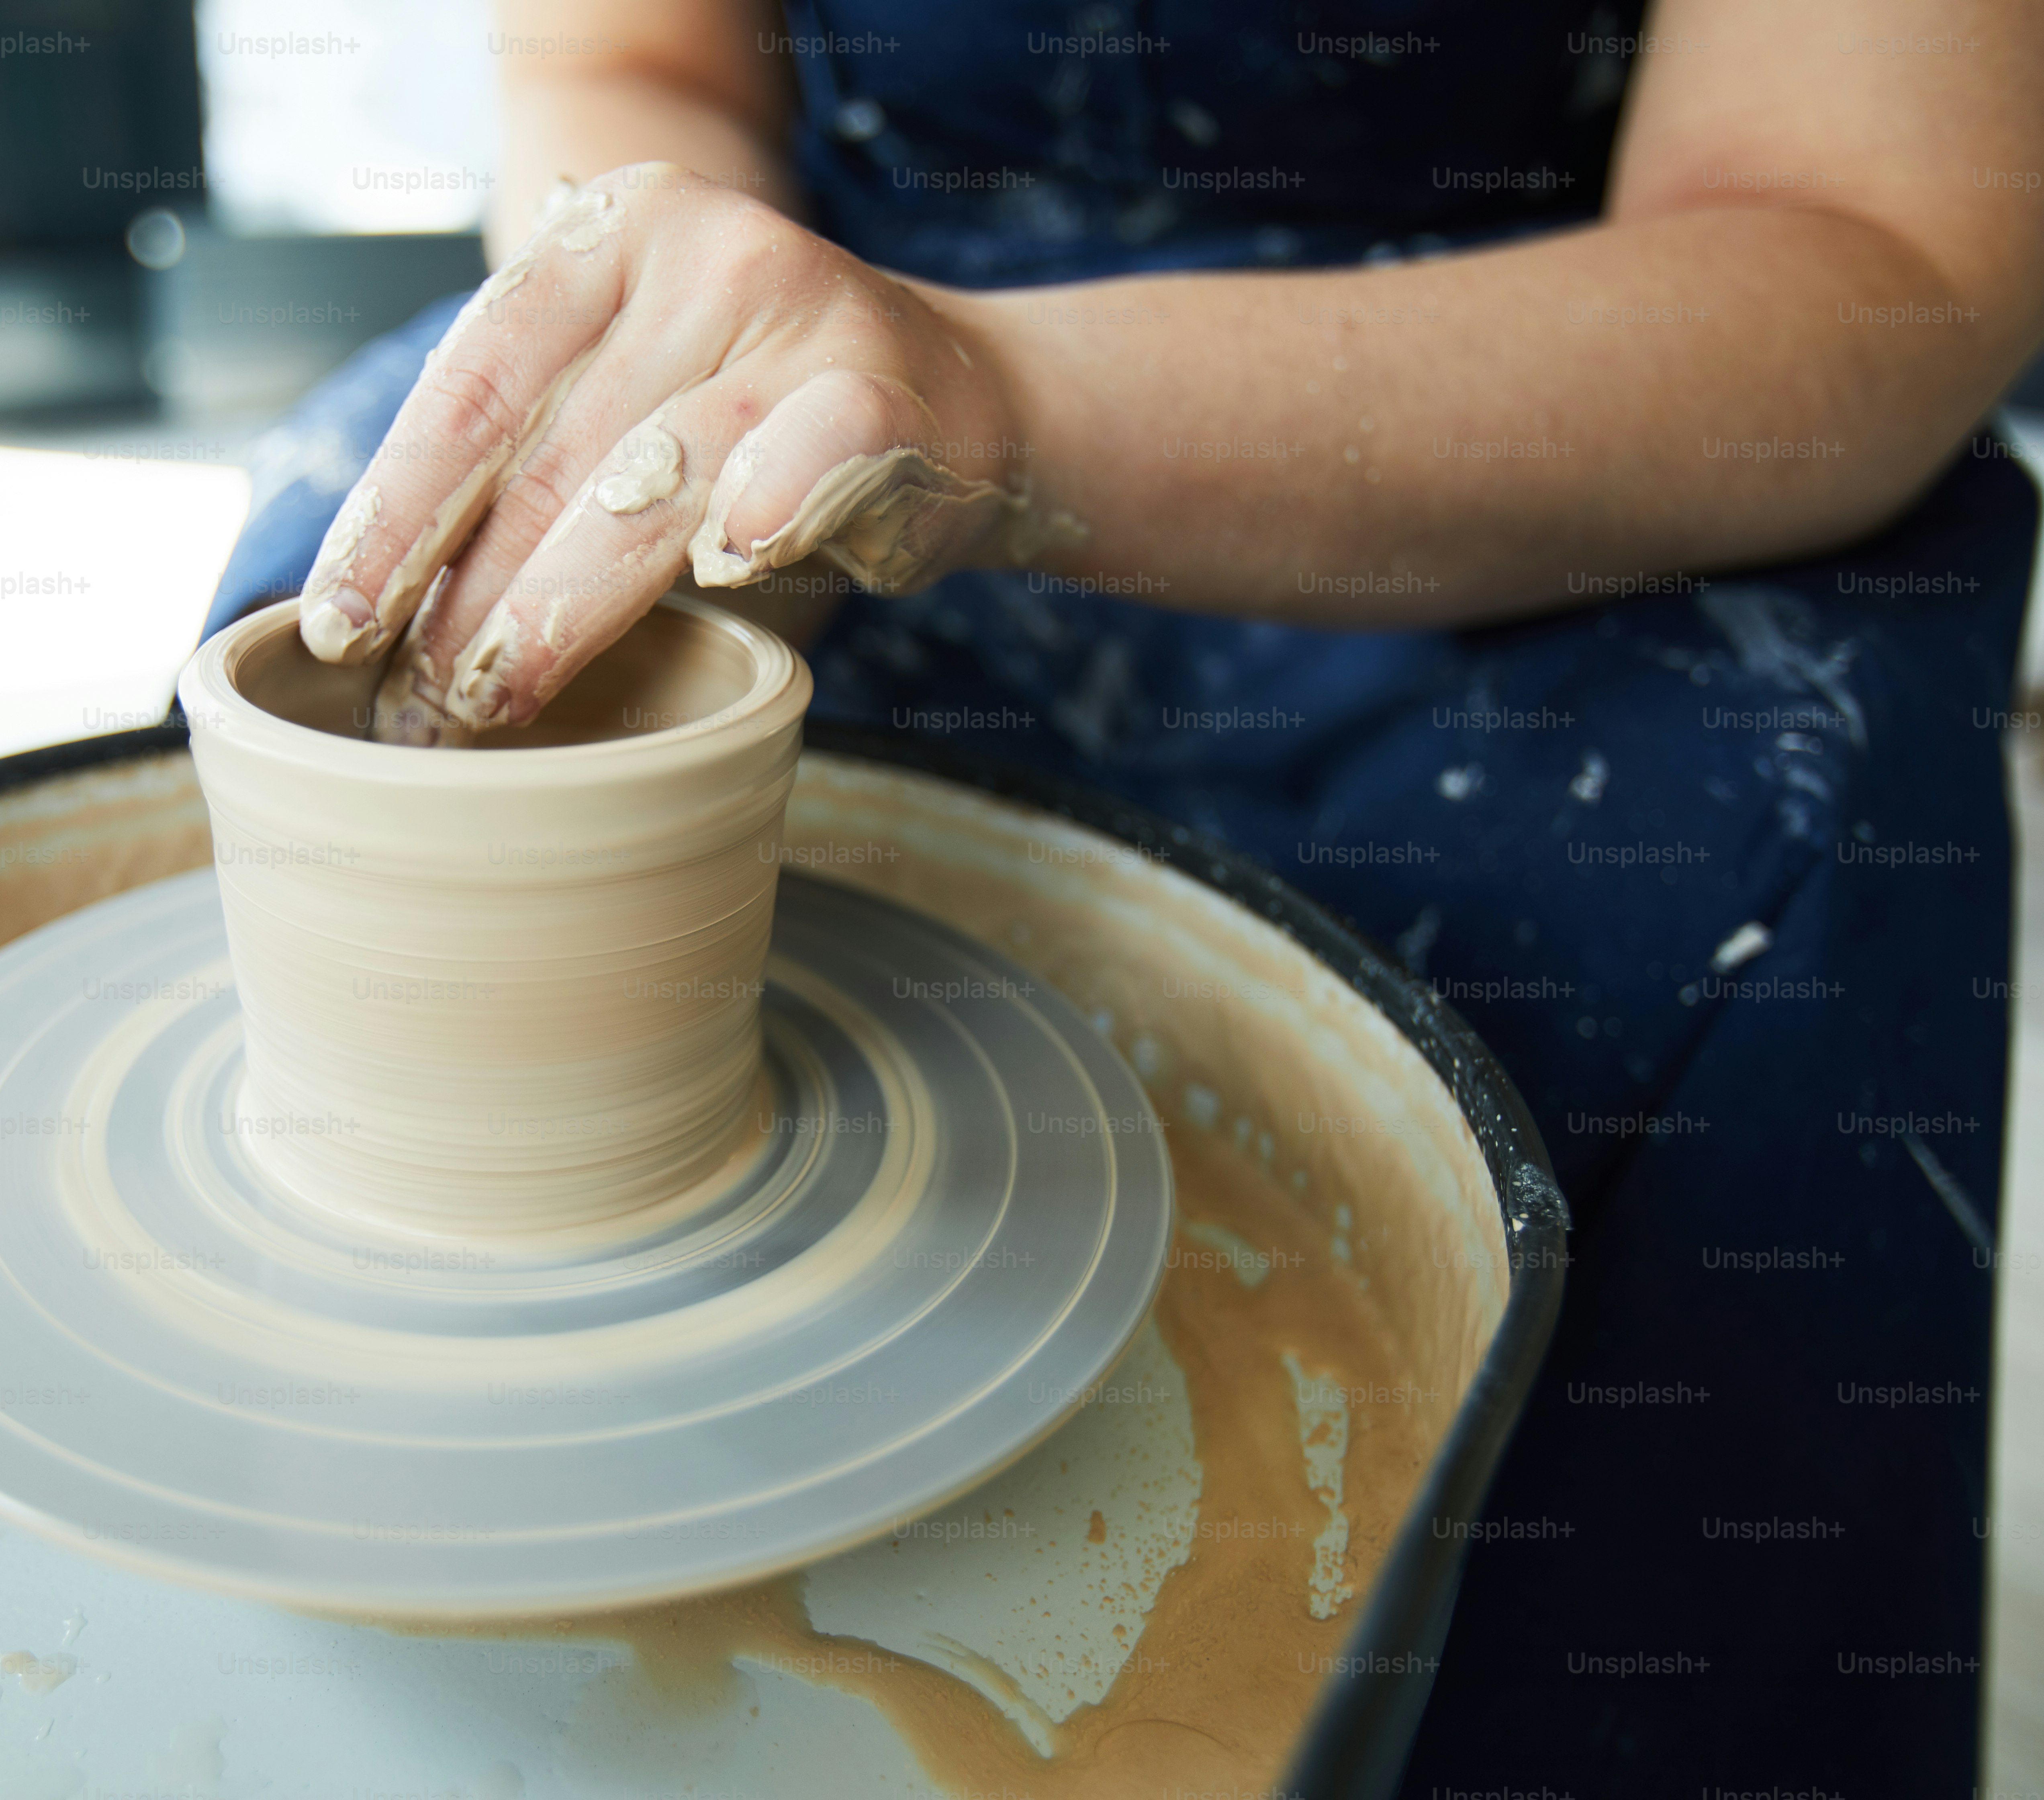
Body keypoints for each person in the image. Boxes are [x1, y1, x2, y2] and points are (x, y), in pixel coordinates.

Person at [206, 0, 2044, 1786]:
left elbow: (1870, 240)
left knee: (1771, 831)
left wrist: (987, 400)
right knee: (340, 633)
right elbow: (633, 59)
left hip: (1550, 397)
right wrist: (702, 401)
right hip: (840, 296)